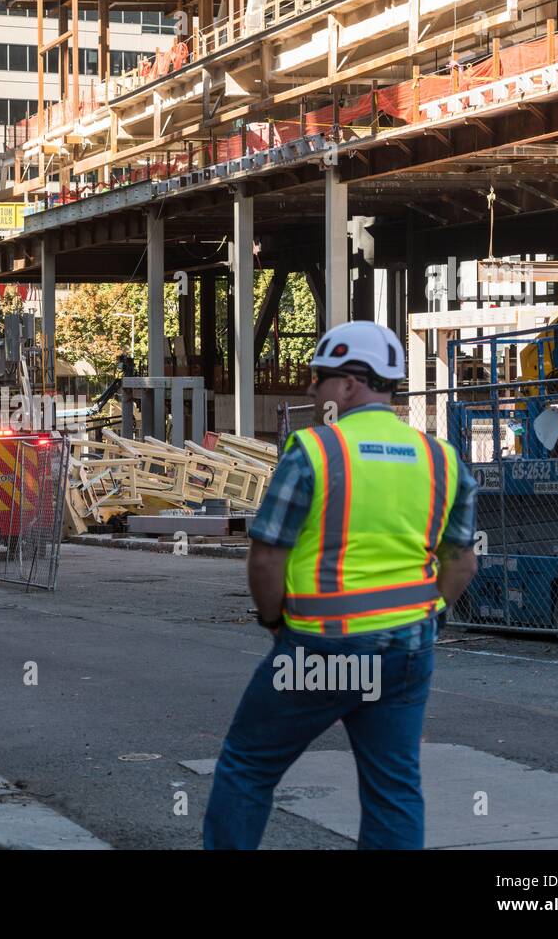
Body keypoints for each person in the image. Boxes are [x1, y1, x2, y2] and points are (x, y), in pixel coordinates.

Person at [203, 321, 478, 850]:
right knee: (394, 789)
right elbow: (461, 563)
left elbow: (266, 558)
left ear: (350, 384)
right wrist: (426, 618)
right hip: (407, 650)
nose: (311, 389)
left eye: (319, 378)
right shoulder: (442, 459)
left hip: (320, 647)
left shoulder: (313, 452)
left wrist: (273, 621)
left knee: (248, 767)